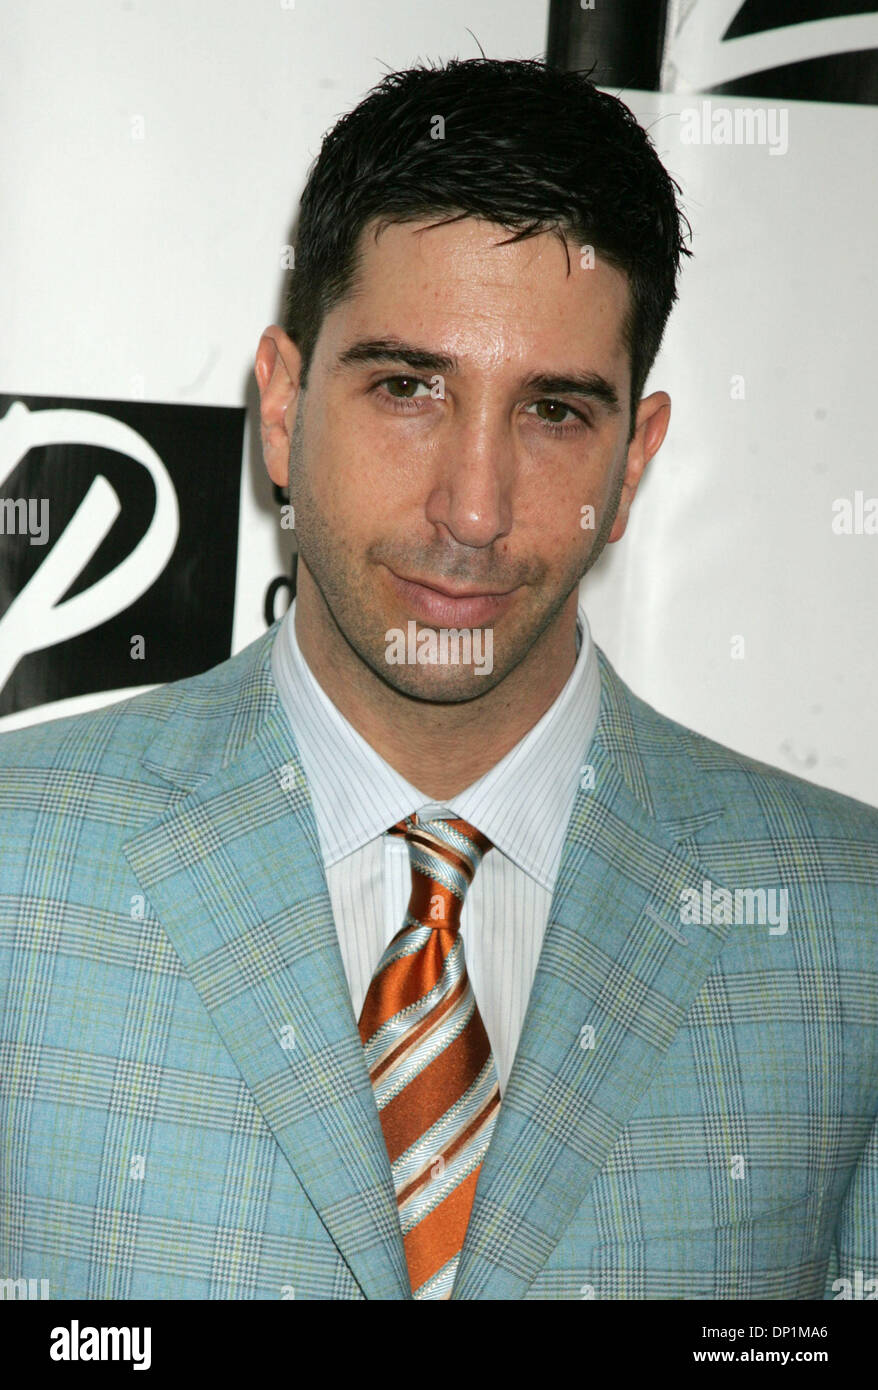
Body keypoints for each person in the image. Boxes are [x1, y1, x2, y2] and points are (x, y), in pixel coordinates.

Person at [0, 57, 875, 1303]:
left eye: (555, 412)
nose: (474, 506)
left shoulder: (847, 933)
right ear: (283, 403)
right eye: (408, 388)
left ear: (632, 464)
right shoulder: (15, 868)